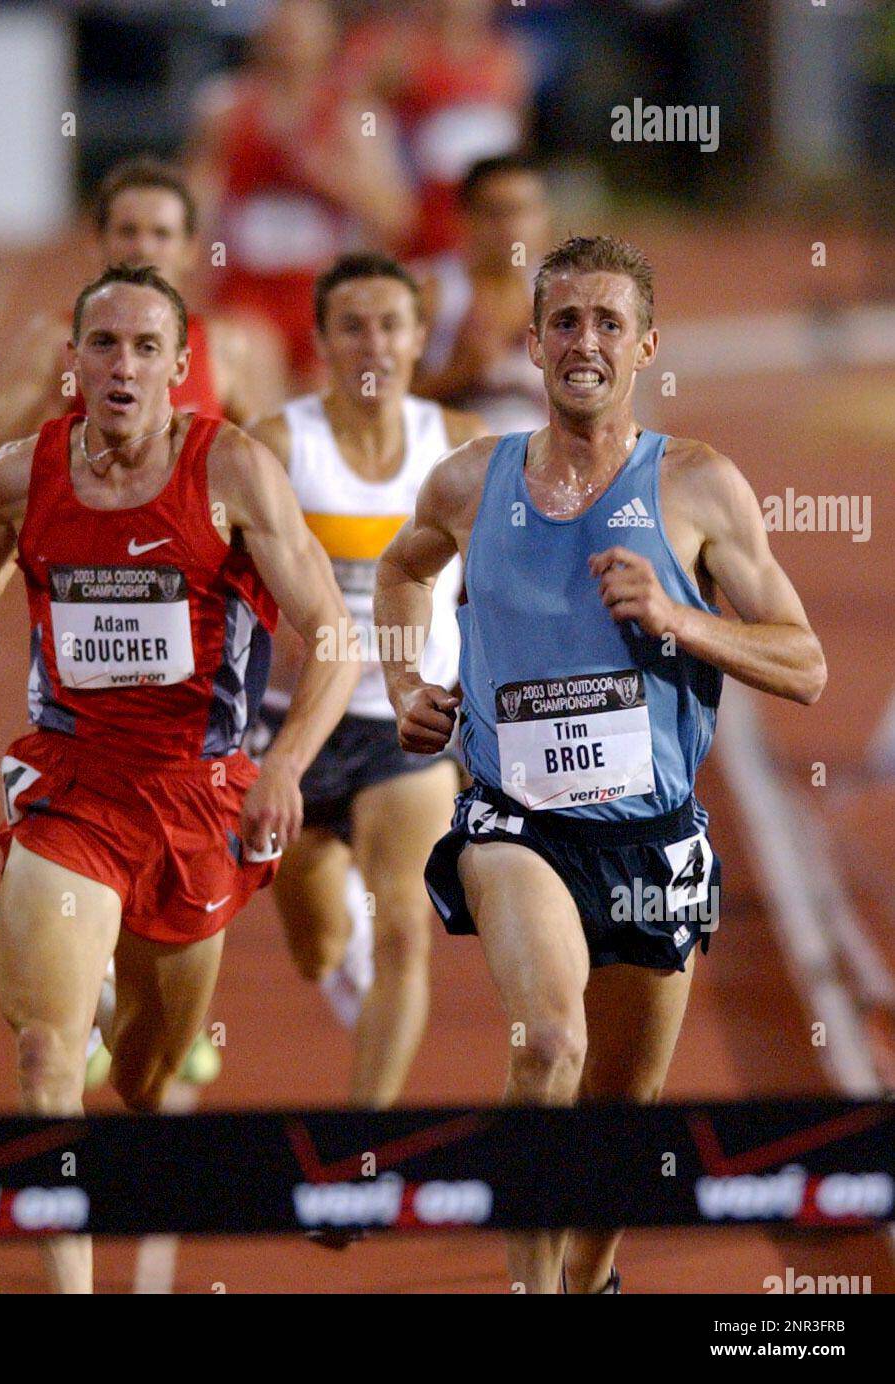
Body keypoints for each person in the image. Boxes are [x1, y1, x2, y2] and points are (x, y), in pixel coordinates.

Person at [0, 264, 358, 1293]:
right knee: (48, 1055)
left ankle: (123, 1011)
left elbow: (334, 634)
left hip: (199, 799)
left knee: (144, 1080)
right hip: (73, 783)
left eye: (148, 348)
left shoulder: (233, 471)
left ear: (184, 369)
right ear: (74, 361)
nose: (124, 365)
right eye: (104, 345)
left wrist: (284, 762)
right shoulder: (26, 471)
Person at [374, 235, 827, 1293]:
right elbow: (402, 572)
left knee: (620, 1119)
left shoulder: (700, 485)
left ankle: (585, 1283)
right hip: (515, 823)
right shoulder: (468, 482)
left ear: (648, 344)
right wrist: (406, 685)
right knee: (548, 1047)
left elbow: (803, 664)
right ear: (531, 344)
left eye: (608, 323)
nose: (585, 342)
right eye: (565, 322)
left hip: (653, 840)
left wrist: (679, 619)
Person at [249, 252, 485, 1110]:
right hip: (296, 728)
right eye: (352, 325)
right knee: (315, 949)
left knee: (404, 932)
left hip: (406, 724)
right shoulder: (280, 445)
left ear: (422, 335)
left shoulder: (461, 445)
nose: (373, 342)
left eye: (391, 323)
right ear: (320, 341)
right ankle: (330, 896)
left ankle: (363, 1144)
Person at [0, 156, 285, 499]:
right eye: (128, 232)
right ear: (98, 243)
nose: (142, 248)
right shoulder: (56, 342)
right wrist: (45, 411)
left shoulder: (226, 345)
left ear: (190, 250)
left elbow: (277, 478)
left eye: (161, 234)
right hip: (87, 544)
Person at [187, 0, 413, 385]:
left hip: (322, 288)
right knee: (256, 385)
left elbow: (396, 215)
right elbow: (193, 206)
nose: (291, 40)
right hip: (248, 288)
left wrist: (330, 178)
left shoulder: (354, 116)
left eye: (302, 28)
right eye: (283, 26)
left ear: (326, 37)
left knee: (320, 411)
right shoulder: (225, 107)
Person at [343, 0, 532, 257]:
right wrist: (381, 184)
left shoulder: (505, 59)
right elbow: (360, 116)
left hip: (485, 200)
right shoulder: (401, 54)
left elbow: (517, 136)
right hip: (424, 205)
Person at [414, 155, 553, 433]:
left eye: (524, 210)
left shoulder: (565, 293)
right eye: (497, 212)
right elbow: (380, 407)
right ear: (465, 218)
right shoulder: (431, 293)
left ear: (546, 216)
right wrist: (459, 374)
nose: (512, 227)